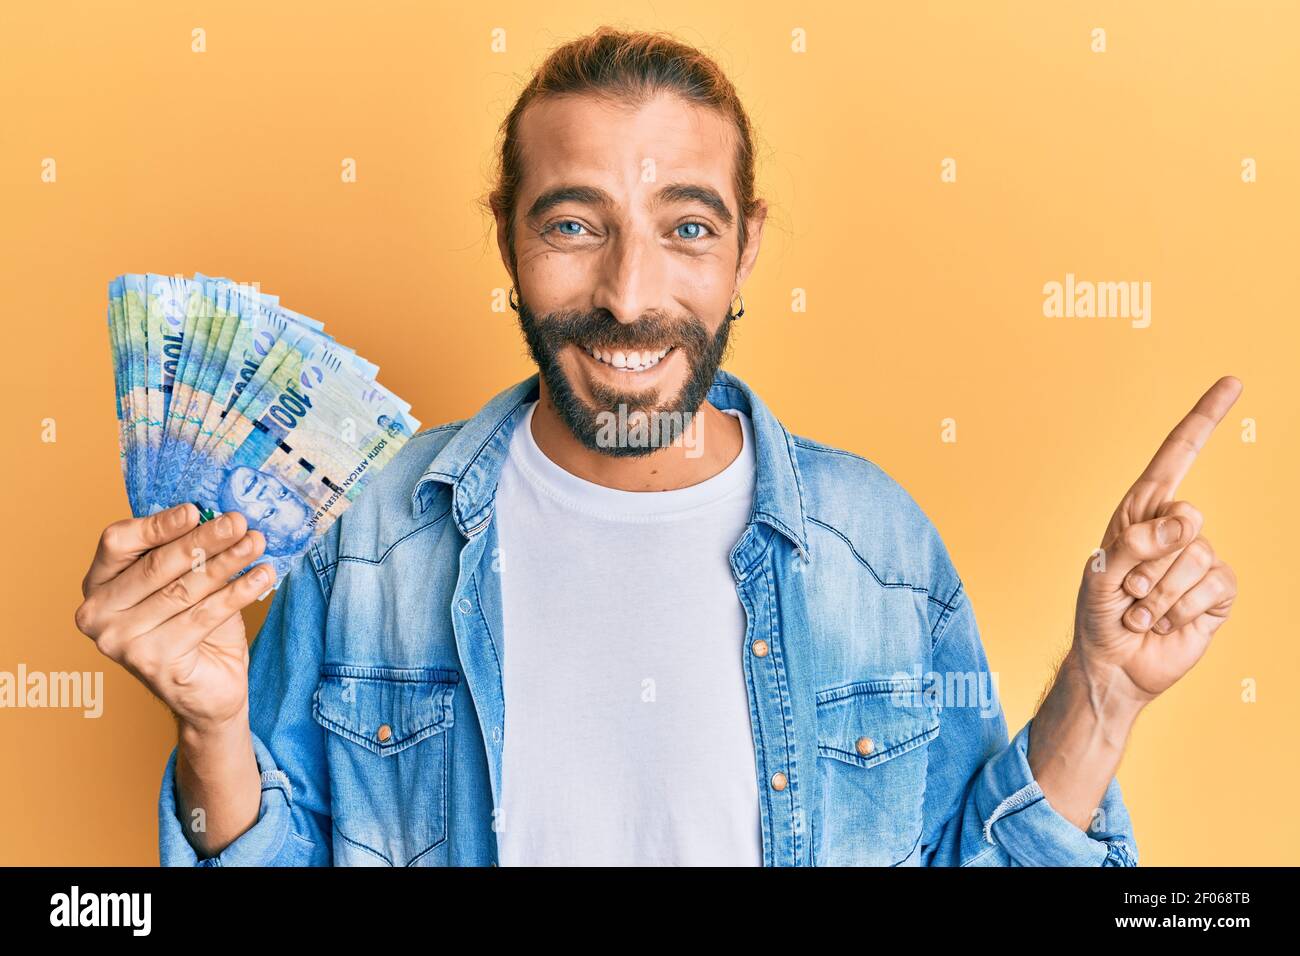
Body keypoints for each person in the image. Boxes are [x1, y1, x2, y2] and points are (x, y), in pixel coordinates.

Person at [74, 27, 1238, 866]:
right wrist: (213, 730)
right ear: (506, 238)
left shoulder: (876, 545)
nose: (630, 296)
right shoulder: (372, 534)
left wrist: (1103, 694)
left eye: (686, 227)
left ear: (745, 249)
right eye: (575, 224)